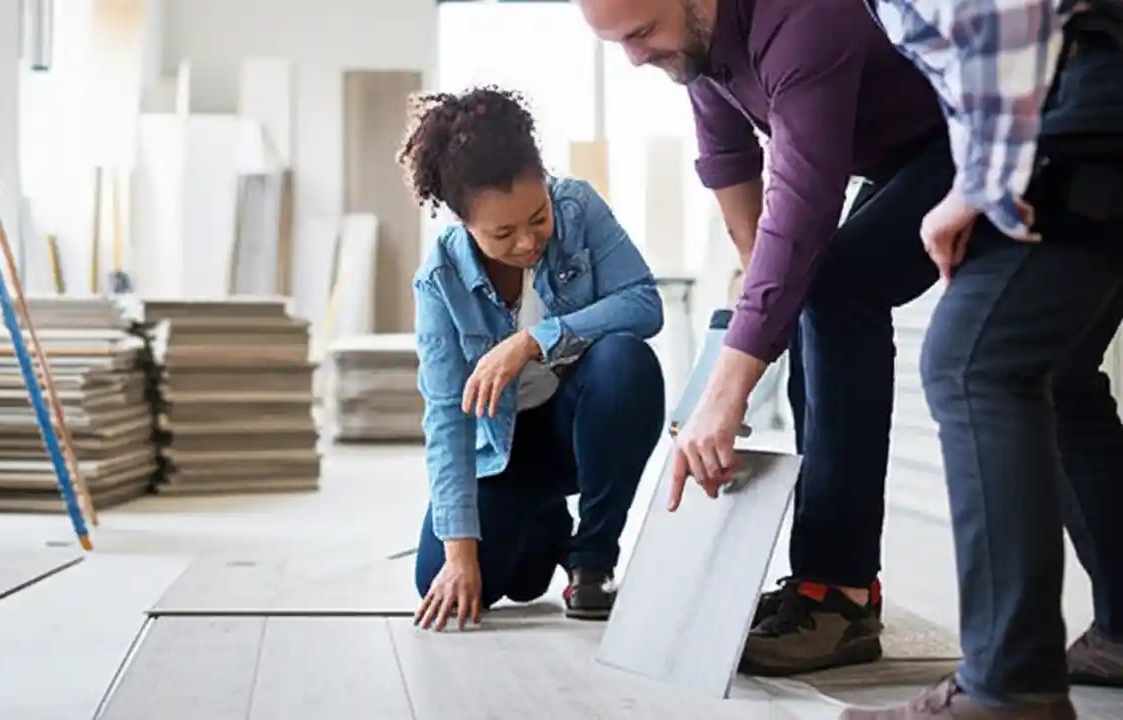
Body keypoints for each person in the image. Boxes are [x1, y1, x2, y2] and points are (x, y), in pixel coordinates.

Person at [578, 0, 956, 675]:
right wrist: (758, 299)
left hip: (965, 138)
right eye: (618, 43)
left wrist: (727, 395)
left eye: (640, 33)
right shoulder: (700, 46)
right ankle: (826, 584)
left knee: (839, 286)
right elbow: (728, 158)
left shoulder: (802, 18)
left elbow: (805, 205)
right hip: (903, 154)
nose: (634, 57)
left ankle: (837, 594)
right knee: (813, 288)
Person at [838, 1, 1123, 718]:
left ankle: (1006, 689)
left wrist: (975, 187)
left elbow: (1005, 9)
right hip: (1091, 96)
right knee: (1056, 369)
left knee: (973, 362)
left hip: (1093, 95)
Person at [400, 86, 666, 631]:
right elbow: (448, 417)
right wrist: (459, 556)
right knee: (457, 584)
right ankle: (543, 517)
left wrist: (534, 340)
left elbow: (643, 303)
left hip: (581, 424)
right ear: (464, 223)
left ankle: (592, 559)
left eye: (537, 216)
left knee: (626, 362)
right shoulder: (439, 283)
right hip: (504, 449)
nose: (528, 242)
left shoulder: (579, 207)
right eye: (503, 232)